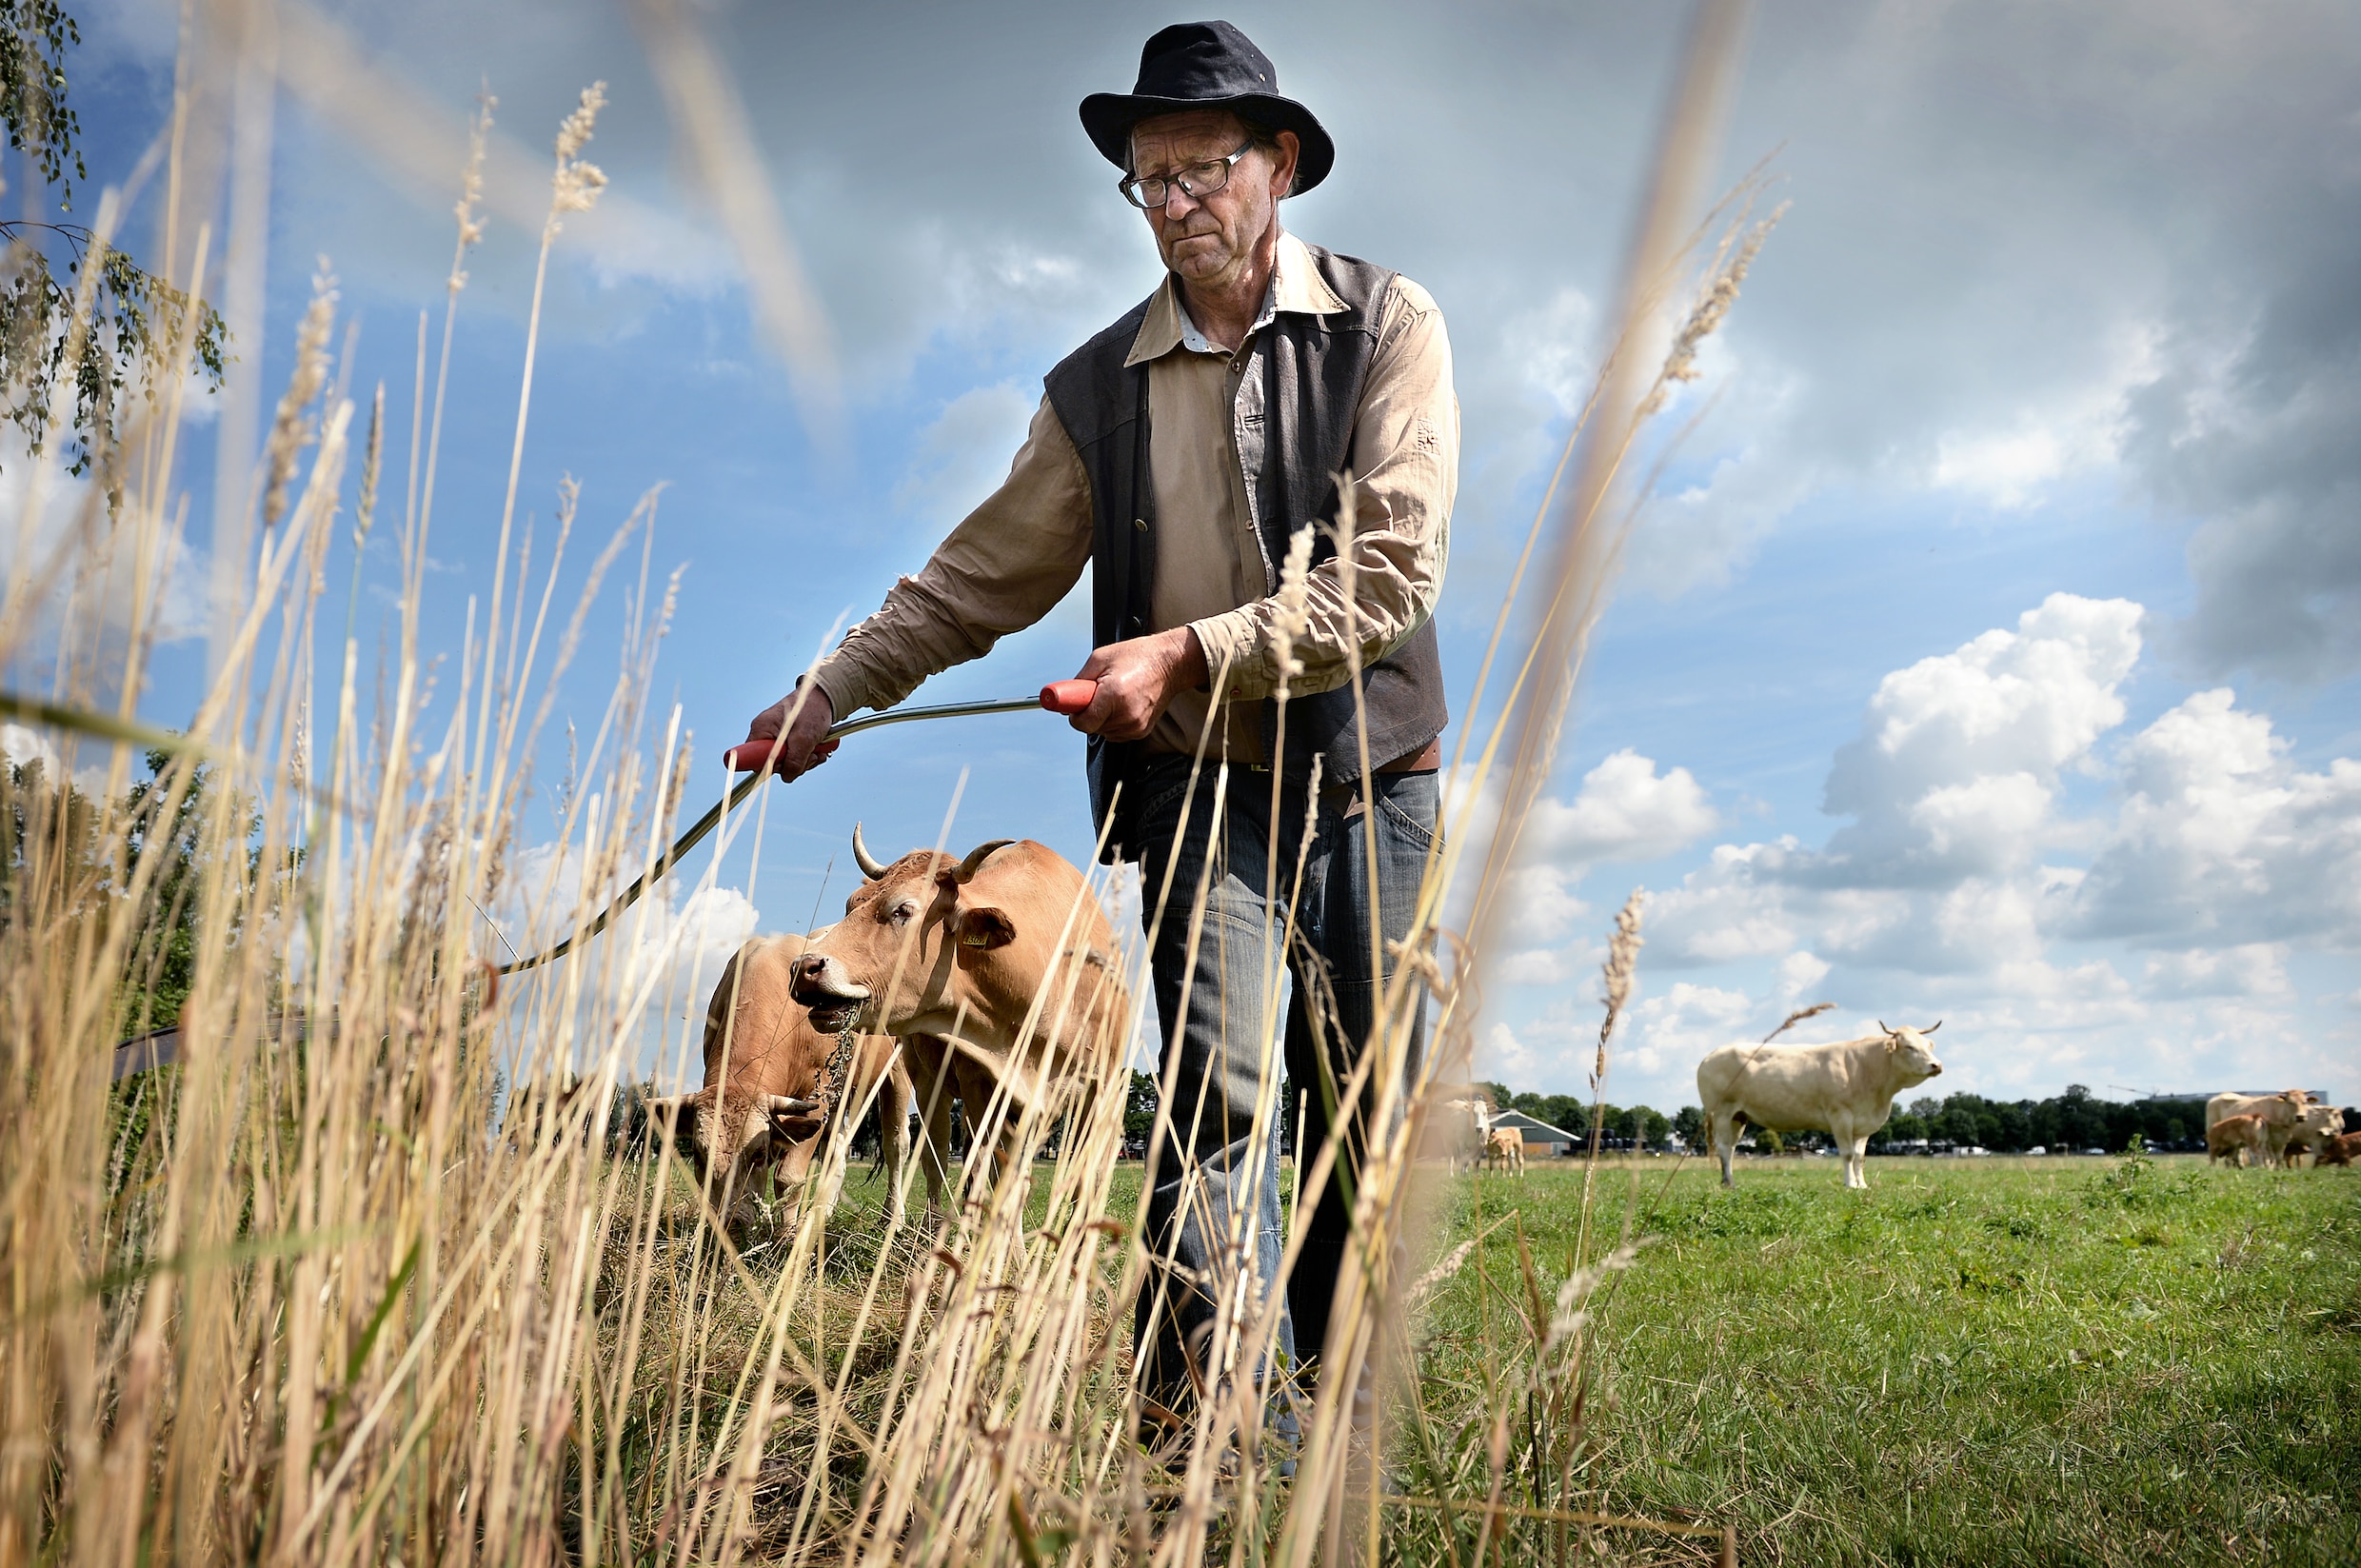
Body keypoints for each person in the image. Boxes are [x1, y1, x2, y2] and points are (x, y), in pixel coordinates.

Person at [740, 19, 1457, 1432]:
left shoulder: (1387, 323)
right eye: (1149, 180)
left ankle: (1341, 1417)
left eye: (1203, 170)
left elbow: (1393, 573)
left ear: (1280, 164)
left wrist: (1185, 652)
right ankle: (1196, 1435)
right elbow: (975, 578)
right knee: (1219, 1103)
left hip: (1371, 782)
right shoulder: (1092, 391)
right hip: (1196, 791)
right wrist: (830, 689)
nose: (1175, 204)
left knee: (1366, 1108)